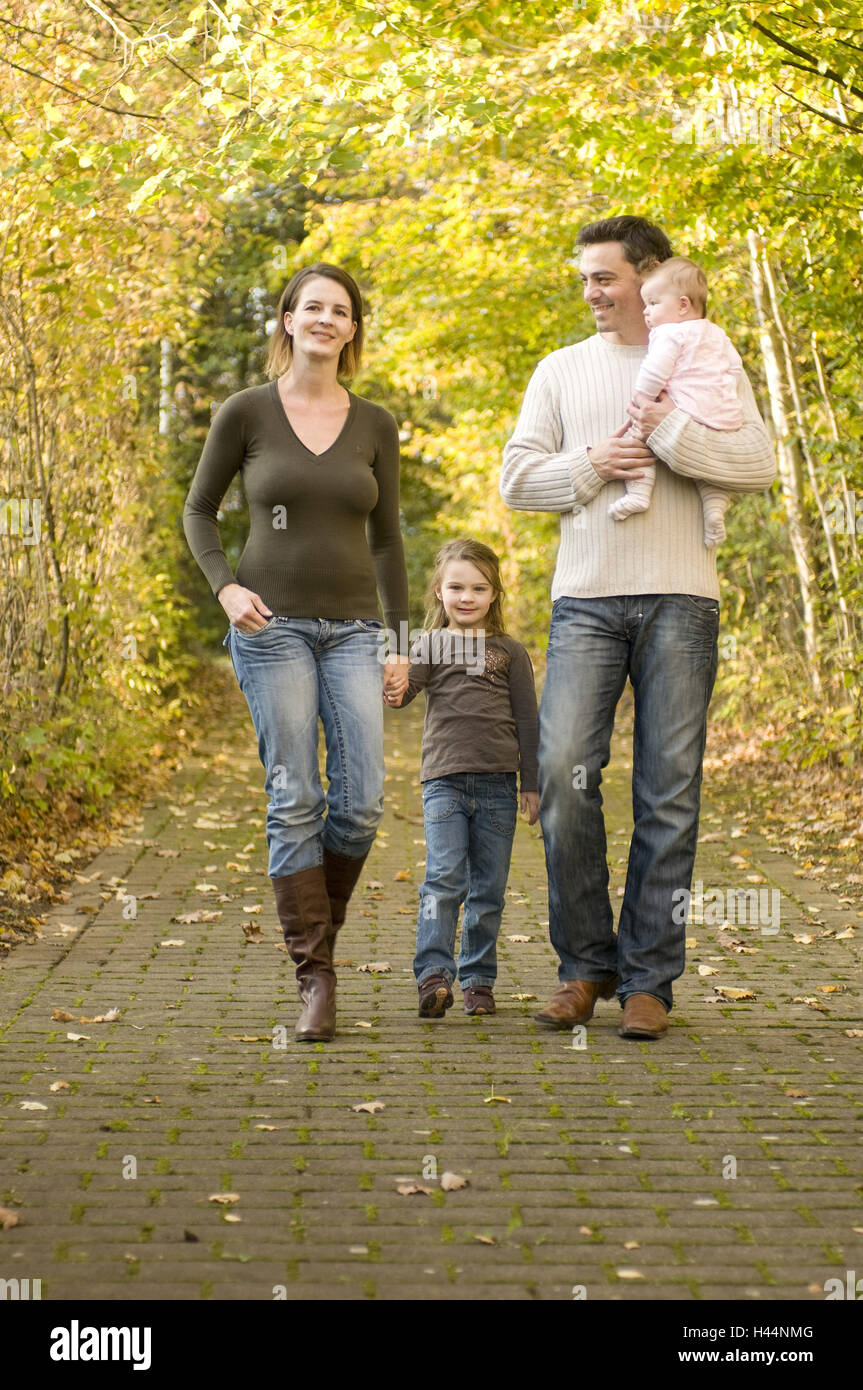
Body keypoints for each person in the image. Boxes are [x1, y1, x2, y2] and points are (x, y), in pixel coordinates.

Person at [500, 215, 776, 1040]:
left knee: (668, 794)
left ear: (648, 276)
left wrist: (662, 431)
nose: (589, 292)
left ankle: (650, 979)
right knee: (560, 774)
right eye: (583, 278)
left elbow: (756, 464)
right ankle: (585, 966)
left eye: (603, 278)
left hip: (681, 601)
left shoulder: (709, 354)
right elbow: (518, 480)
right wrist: (593, 466)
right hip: (585, 600)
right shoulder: (560, 370)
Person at [183, 263, 410, 1043]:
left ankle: (319, 934)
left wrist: (400, 641)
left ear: (352, 331)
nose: (323, 318)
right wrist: (224, 589)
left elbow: (387, 542)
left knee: (361, 801)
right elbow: (198, 511)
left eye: (339, 311)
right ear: (285, 320)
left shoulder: (375, 423)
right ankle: (314, 976)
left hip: (352, 629)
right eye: (310, 306)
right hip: (268, 625)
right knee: (295, 797)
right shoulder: (245, 412)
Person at [387, 539, 539, 1018]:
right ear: (439, 591)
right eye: (456, 587)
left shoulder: (510, 652)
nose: (467, 596)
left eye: (478, 588)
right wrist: (392, 683)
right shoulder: (430, 644)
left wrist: (531, 783)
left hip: (498, 786)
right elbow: (404, 692)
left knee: (488, 889)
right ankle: (433, 975)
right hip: (444, 784)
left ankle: (478, 980)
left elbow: (529, 720)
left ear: (494, 594)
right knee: (444, 878)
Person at [608, 255, 743, 546]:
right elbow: (735, 367)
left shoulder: (668, 333)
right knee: (710, 467)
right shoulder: (716, 332)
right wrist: (725, 388)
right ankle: (715, 510)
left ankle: (638, 495)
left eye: (654, 303)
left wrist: (642, 397)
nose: (646, 312)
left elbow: (656, 370)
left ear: (682, 305)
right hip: (722, 412)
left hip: (684, 407)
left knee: (638, 443)